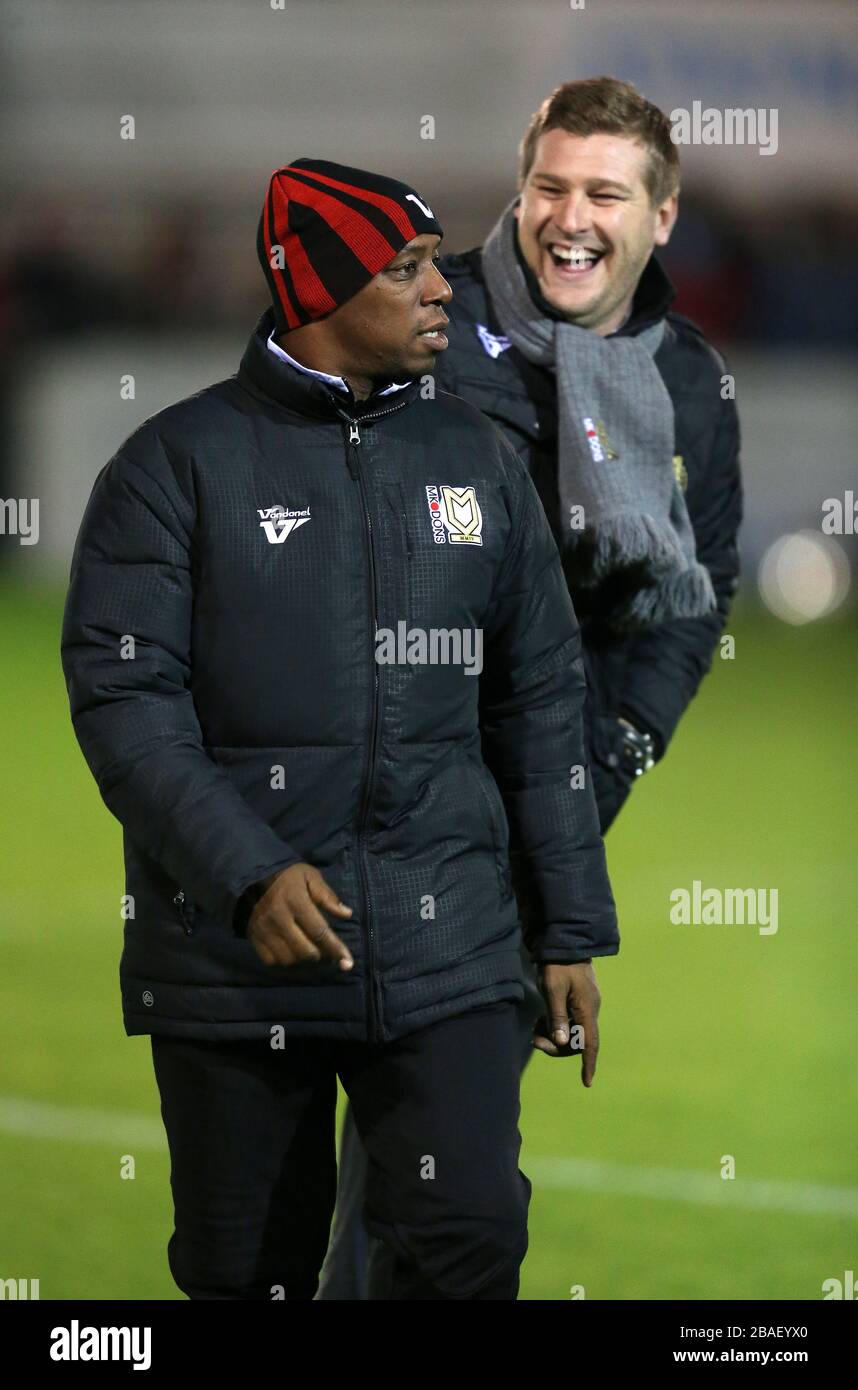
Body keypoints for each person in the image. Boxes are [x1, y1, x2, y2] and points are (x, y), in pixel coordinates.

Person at [60, 158, 619, 1301]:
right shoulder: (173, 468)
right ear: (315, 289)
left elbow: (541, 699)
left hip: (448, 946)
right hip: (236, 963)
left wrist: (567, 929)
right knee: (246, 1272)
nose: (442, 291)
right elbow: (127, 705)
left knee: (469, 1240)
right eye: (406, 268)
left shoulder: (479, 460)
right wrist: (250, 875)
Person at [318, 77, 743, 1299]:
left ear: (662, 217)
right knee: (298, 1186)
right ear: (520, 189)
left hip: (522, 839)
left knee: (441, 1187)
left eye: (606, 192)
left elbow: (697, 590)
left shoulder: (693, 386)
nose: (572, 214)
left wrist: (612, 750)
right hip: (348, 810)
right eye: (551, 184)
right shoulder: (411, 316)